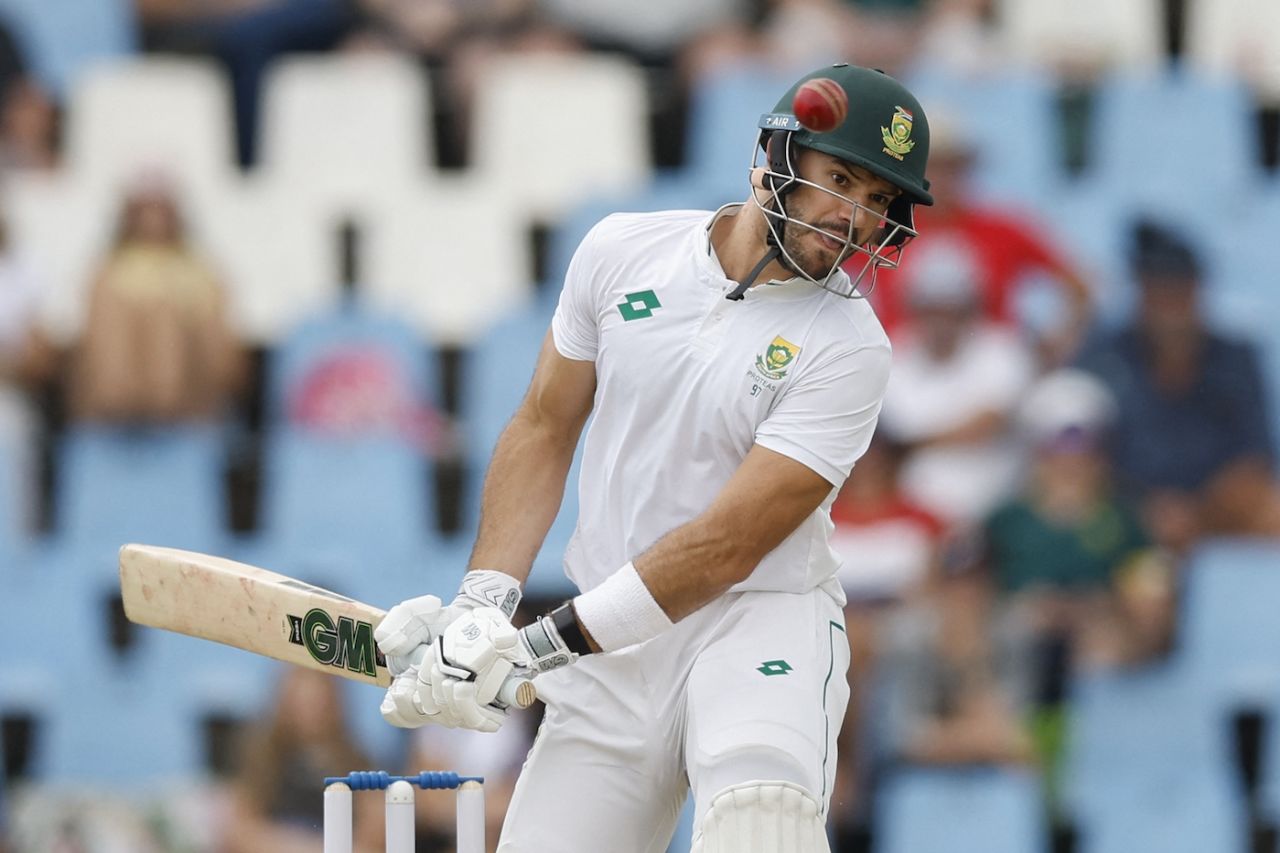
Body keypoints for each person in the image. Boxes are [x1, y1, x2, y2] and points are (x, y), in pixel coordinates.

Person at [371, 62, 933, 851]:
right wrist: (482, 606)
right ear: (774, 155)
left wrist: (534, 645)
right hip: (610, 646)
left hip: (756, 623)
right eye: (840, 179)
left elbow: (726, 545)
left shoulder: (849, 347)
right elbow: (543, 425)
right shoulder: (622, 250)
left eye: (877, 202)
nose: (855, 219)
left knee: (761, 823)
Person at [1078, 217, 1280, 553]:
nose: (1170, 309)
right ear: (1141, 295)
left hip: (1215, 510)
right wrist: (1144, 506)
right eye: (1159, 295)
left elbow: (1256, 453)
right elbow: (1075, 452)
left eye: (1180, 294)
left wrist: (1197, 512)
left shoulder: (1236, 357)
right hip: (1125, 512)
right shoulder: (1104, 356)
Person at [876, 236, 1037, 525]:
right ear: (912, 306)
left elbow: (987, 425)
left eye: (950, 308)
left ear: (970, 306)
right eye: (930, 307)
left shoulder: (1002, 349)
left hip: (996, 513)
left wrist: (908, 445)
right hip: (915, 521)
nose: (940, 320)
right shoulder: (891, 353)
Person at [67, 170, 245, 424]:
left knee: (164, 318)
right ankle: (126, 402)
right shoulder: (105, 272)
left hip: (188, 397)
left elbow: (226, 364)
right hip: (114, 404)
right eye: (144, 209)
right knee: (113, 312)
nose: (152, 220)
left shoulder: (202, 272)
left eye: (159, 209)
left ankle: (158, 403)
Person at [223, 666, 384, 853]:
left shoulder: (357, 762)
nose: (312, 706)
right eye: (304, 696)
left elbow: (373, 840)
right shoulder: (262, 757)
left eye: (320, 696)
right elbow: (238, 832)